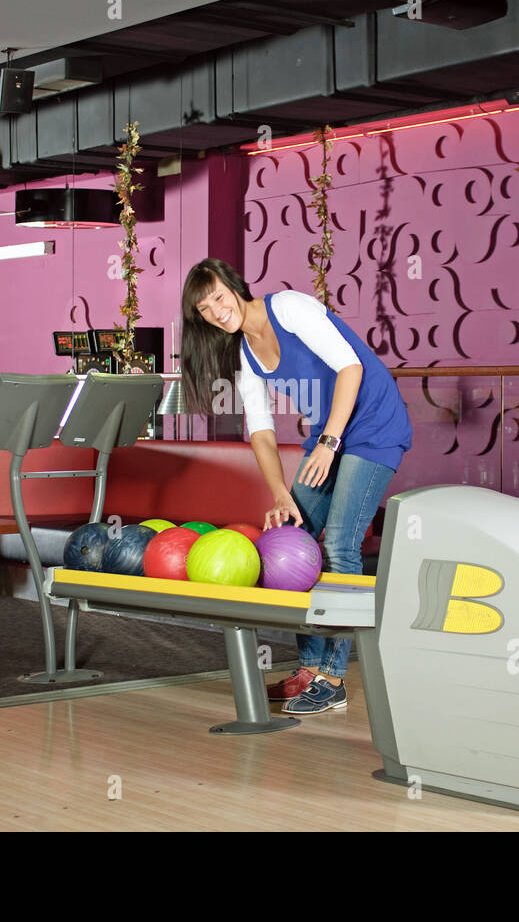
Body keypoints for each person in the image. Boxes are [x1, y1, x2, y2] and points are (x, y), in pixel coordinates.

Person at [181, 258, 412, 715]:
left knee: (343, 545)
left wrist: (329, 442)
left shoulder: (288, 309)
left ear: (234, 287)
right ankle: (309, 667)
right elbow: (261, 432)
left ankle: (334, 678)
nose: (216, 312)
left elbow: (350, 368)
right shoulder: (244, 354)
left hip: (372, 427)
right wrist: (281, 494)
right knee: (295, 538)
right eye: (205, 309)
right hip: (327, 434)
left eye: (219, 298)